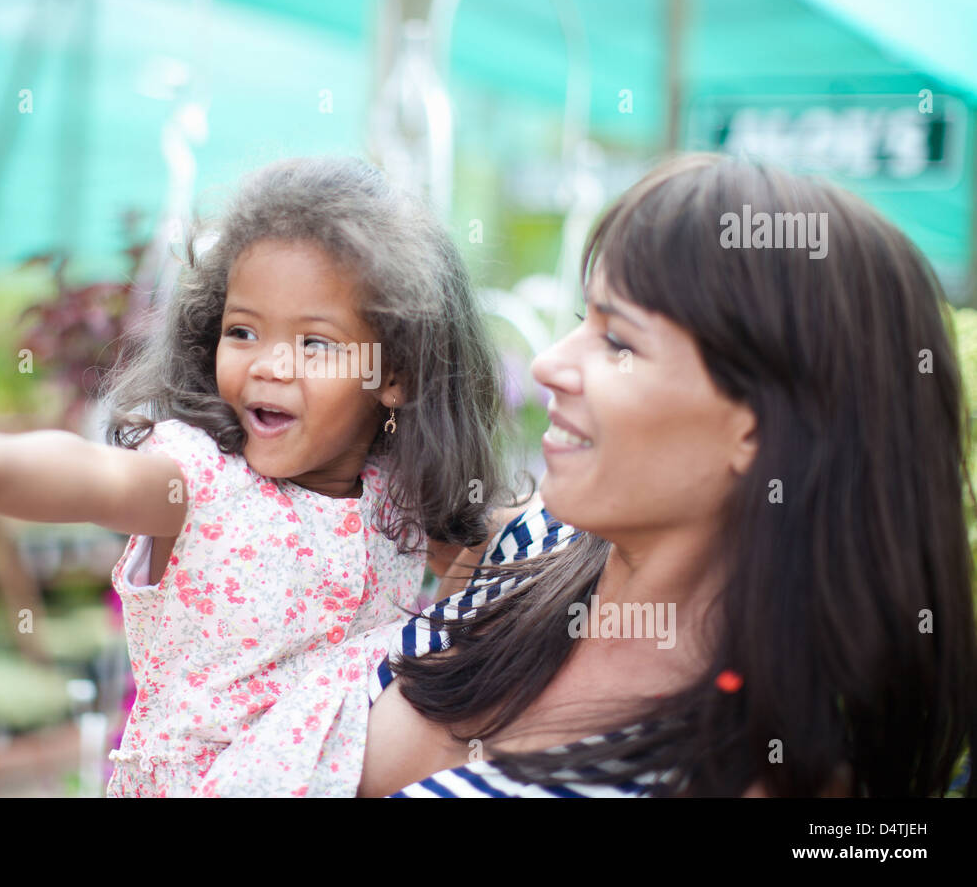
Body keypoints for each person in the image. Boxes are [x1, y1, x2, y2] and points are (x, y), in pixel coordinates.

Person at [216, 152, 977, 797]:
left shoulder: (735, 773)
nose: (551, 363)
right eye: (583, 319)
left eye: (618, 342)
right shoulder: (533, 548)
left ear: (759, 424)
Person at [0, 155, 510, 798]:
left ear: (393, 374)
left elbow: (479, 566)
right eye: (243, 332)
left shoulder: (398, 502)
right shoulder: (198, 478)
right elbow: (87, 474)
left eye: (313, 342)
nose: (269, 364)